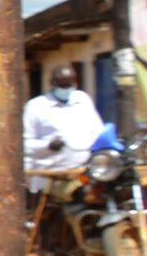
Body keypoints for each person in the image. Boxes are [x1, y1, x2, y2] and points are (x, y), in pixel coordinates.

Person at [24, 63, 107, 192]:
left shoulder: (82, 100)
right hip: (50, 176)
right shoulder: (36, 107)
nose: (66, 89)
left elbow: (98, 131)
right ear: (53, 83)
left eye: (69, 84)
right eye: (62, 85)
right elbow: (24, 145)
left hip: (83, 173)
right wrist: (48, 146)